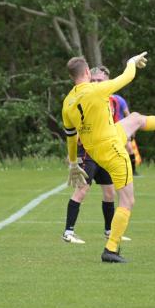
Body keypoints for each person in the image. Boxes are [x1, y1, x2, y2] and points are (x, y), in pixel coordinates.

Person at [62, 52, 155, 263]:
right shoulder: (97, 89)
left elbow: (70, 136)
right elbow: (127, 77)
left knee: (135, 119)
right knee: (128, 200)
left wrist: (74, 162)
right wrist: (131, 62)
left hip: (98, 145)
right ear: (86, 72)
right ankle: (110, 249)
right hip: (111, 149)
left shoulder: (67, 102)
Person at [61, 65, 139, 245]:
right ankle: (68, 231)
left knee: (110, 192)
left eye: (99, 80)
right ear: (87, 74)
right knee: (82, 189)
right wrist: (73, 159)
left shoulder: (113, 100)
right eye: (93, 79)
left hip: (107, 151)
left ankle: (109, 230)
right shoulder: (87, 95)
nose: (96, 83)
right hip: (88, 151)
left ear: (106, 80)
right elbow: (74, 133)